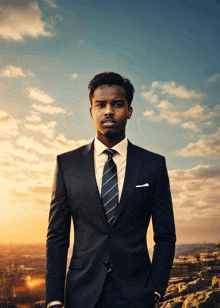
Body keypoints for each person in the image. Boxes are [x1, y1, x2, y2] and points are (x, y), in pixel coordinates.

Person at [46, 72, 176, 308]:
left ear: (129, 111)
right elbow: (57, 237)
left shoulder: (154, 165)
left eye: (117, 104)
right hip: (81, 293)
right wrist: (54, 299)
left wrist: (156, 290)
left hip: (138, 294)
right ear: (91, 111)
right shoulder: (67, 164)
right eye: (100, 104)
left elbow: (165, 236)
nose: (108, 111)